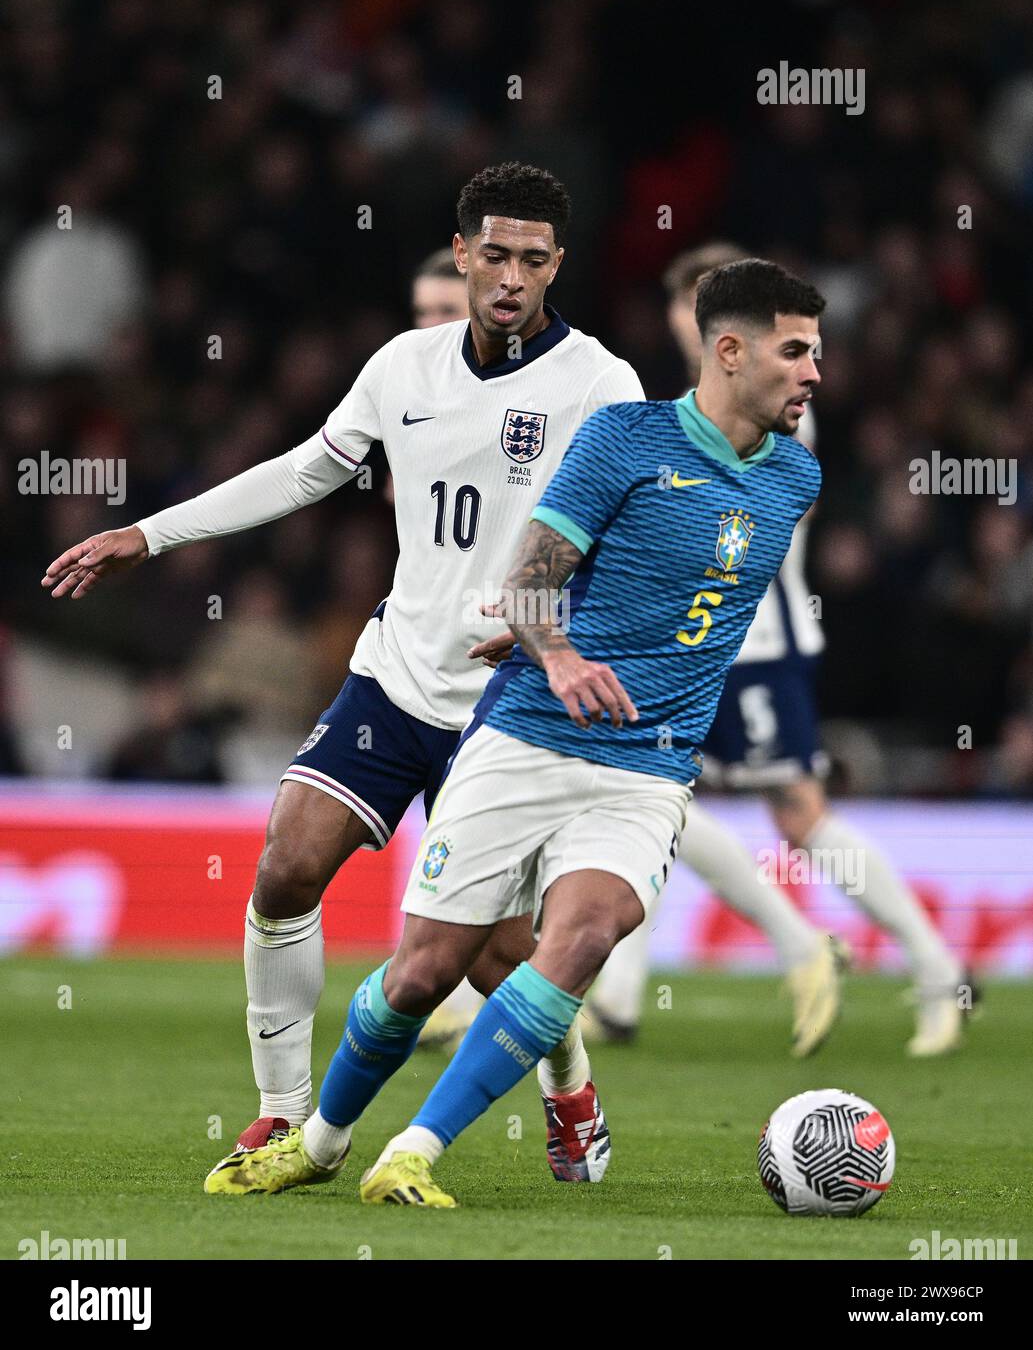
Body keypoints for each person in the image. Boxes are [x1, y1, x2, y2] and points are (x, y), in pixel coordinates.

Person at [42, 162, 644, 1187]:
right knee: (285, 863)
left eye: (531, 260)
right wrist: (149, 532)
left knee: (498, 955)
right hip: (398, 676)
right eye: (492, 254)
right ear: (461, 254)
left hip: (507, 703)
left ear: (557, 266)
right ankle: (281, 1116)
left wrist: (557, 633)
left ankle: (569, 1094)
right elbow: (304, 470)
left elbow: (633, 538)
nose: (509, 277)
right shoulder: (403, 366)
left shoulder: (600, 383)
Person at [207, 257, 826, 1206]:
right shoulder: (621, 440)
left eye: (817, 353)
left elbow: (681, 599)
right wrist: (560, 651)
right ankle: (318, 1141)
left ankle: (412, 1151)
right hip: (527, 736)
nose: (815, 373)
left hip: (647, 766)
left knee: (583, 935)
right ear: (730, 351)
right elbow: (532, 581)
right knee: (423, 973)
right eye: (796, 352)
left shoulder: (795, 477)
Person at [586, 243, 968, 1059]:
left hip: (753, 639)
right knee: (647, 797)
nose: (685, 321)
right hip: (695, 638)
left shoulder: (776, 402)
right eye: (677, 304)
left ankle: (934, 971)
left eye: (695, 302)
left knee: (793, 817)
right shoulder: (690, 408)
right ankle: (619, 993)